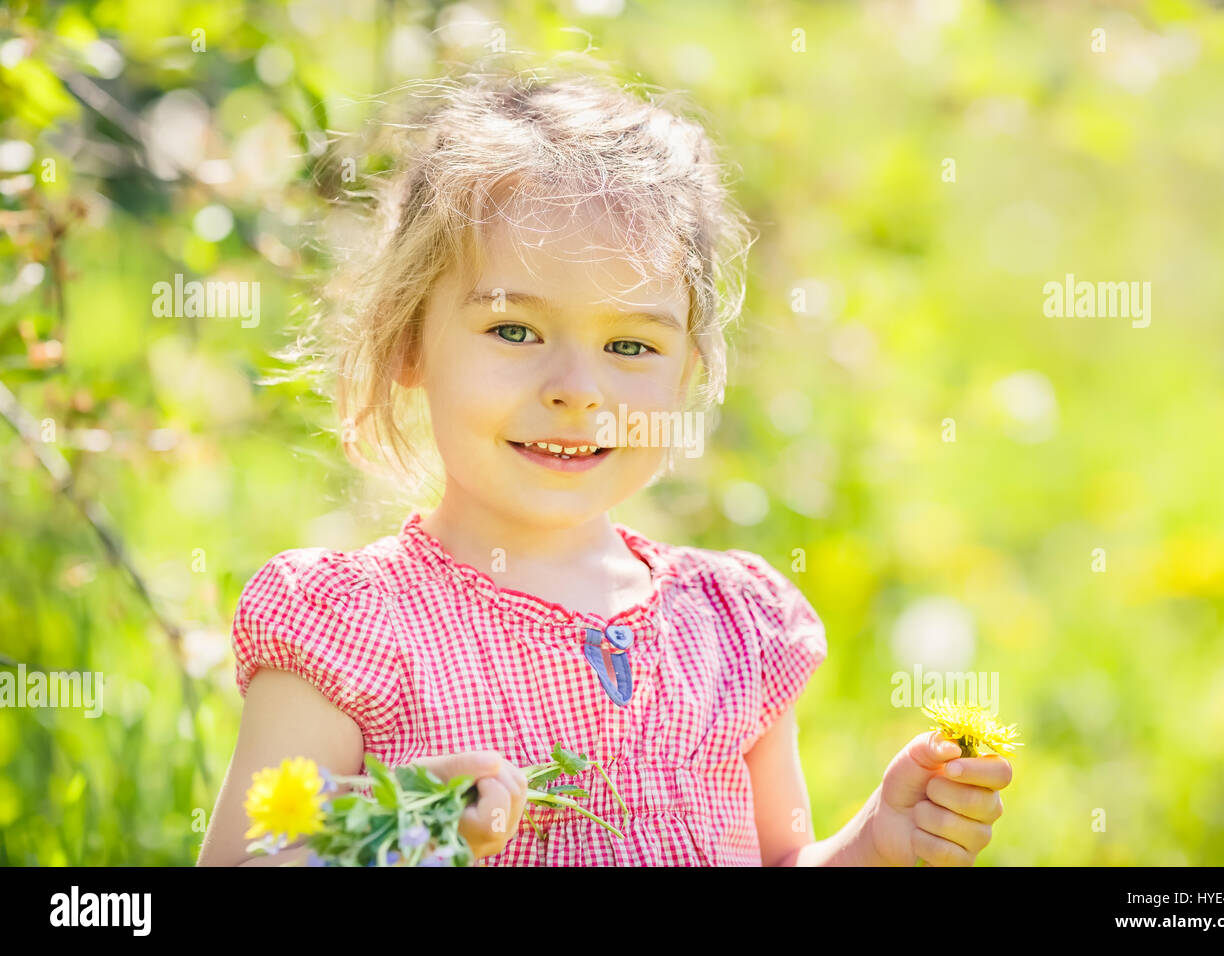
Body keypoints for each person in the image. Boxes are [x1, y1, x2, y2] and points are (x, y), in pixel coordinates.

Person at [197, 64, 1010, 867]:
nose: (577, 394)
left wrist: (872, 848)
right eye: (515, 331)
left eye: (630, 346)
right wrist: (414, 830)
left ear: (686, 370)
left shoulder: (733, 629)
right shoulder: (354, 632)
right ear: (410, 339)